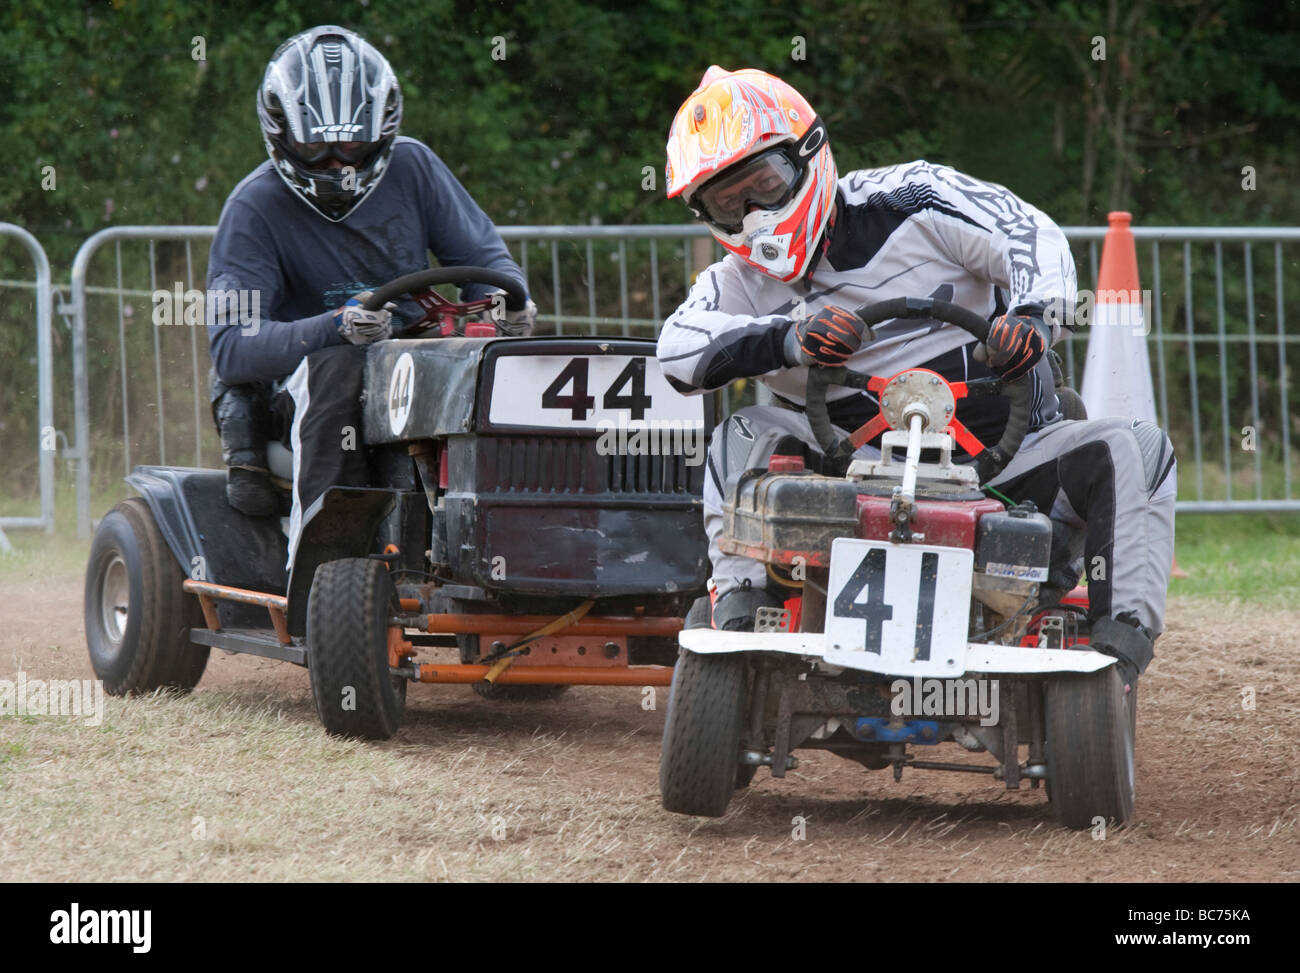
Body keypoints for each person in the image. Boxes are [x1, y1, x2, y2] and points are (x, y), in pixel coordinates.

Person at [656, 66, 1175, 691]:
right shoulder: (735, 283)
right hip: (846, 483)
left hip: (1004, 472)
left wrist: (1032, 319)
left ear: (809, 155)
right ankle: (737, 619)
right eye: (729, 204)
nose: (756, 216)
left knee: (1135, 448)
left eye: (765, 185)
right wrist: (787, 338)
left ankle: (1114, 656)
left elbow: (1028, 232)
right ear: (705, 213)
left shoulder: (914, 197)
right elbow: (676, 351)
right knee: (743, 432)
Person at [206, 24, 535, 552]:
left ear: (382, 130)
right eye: (317, 145)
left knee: (500, 366)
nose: (338, 161)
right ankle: (320, 566)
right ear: (281, 132)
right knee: (336, 371)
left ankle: (516, 543)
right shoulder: (253, 208)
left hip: (408, 359)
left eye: (353, 142)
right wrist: (334, 328)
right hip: (298, 384)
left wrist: (510, 302)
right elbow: (231, 348)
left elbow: (484, 260)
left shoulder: (416, 168)